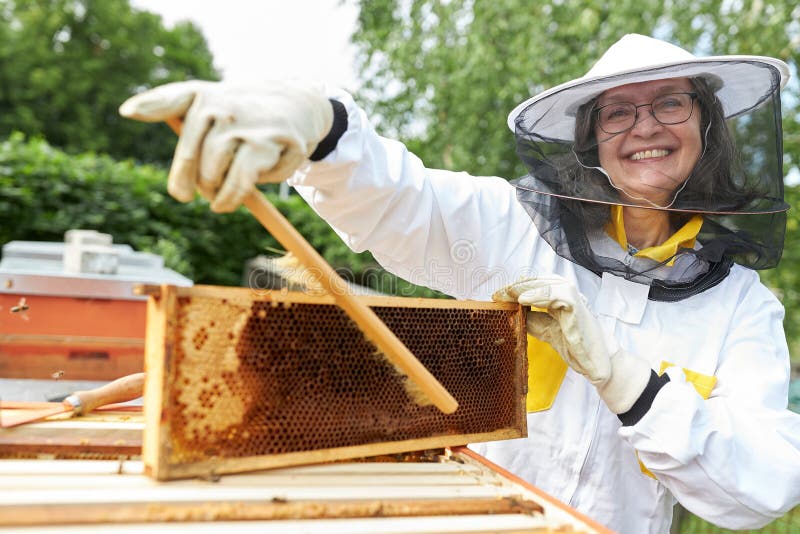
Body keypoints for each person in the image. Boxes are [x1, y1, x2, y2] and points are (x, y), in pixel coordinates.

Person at [120, 34, 800, 533]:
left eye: (669, 104)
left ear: (706, 127)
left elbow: (761, 486)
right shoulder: (513, 226)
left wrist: (627, 380)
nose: (644, 126)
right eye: (617, 112)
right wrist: (320, 125)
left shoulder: (742, 308)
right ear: (590, 142)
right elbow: (398, 200)